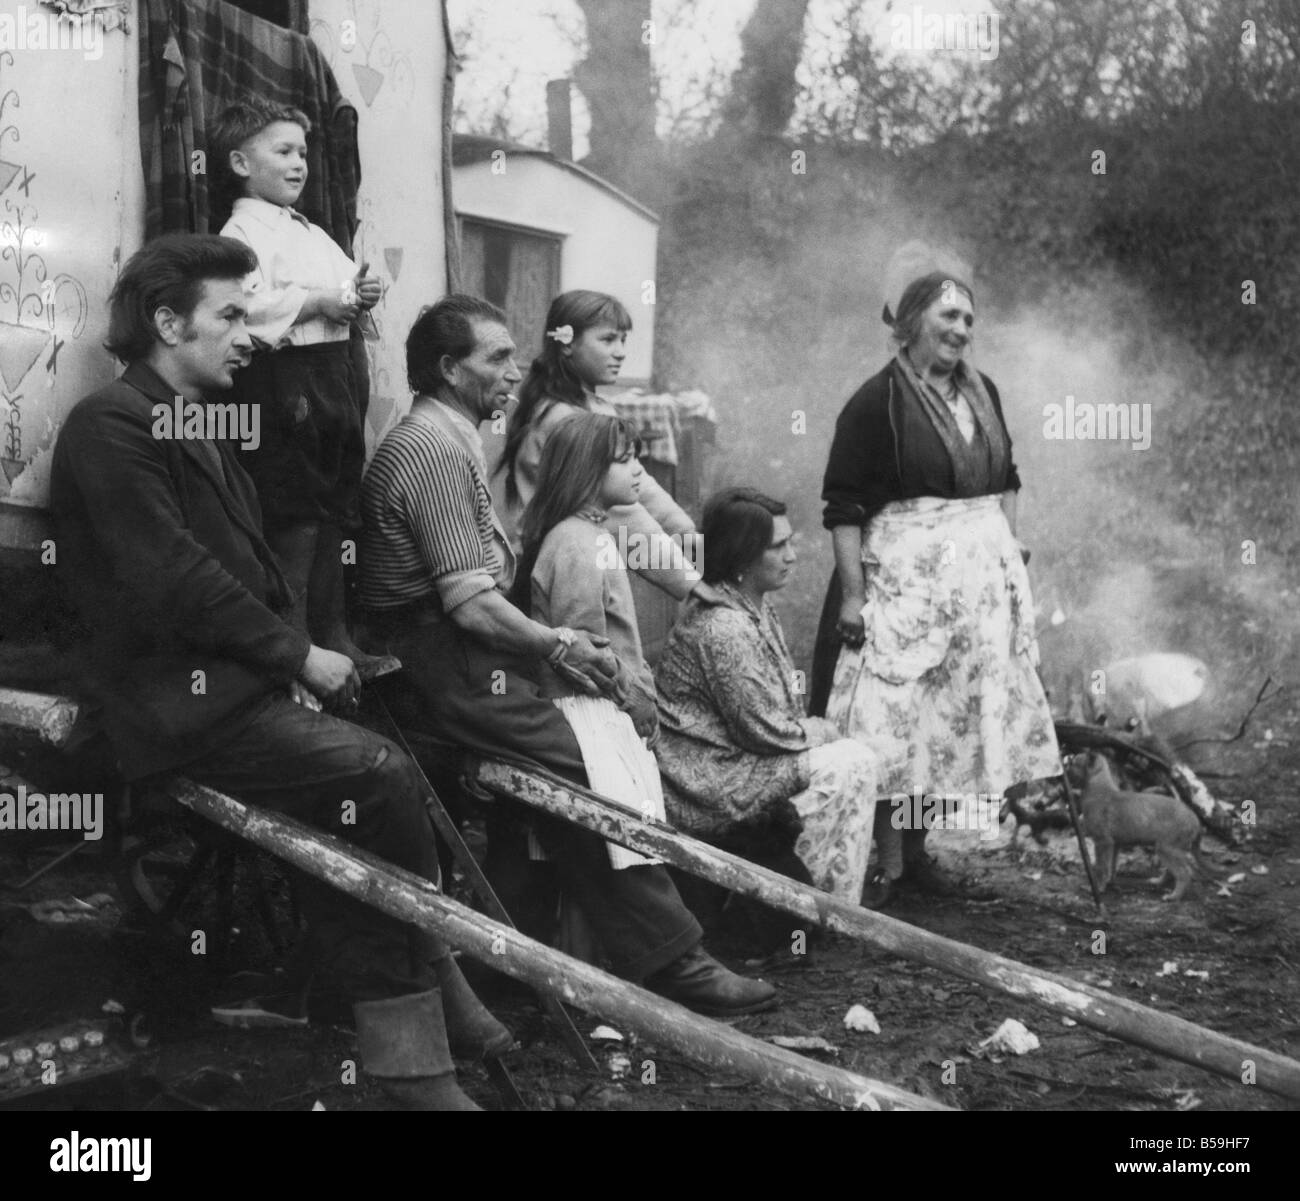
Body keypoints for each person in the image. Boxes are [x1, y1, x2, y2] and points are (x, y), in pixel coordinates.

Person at [49, 235, 507, 1110]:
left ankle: (417, 994)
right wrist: (298, 656)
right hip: (167, 708)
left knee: (369, 776)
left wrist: (293, 665)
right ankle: (419, 1045)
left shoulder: (195, 422)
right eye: (229, 315)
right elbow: (174, 580)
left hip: (227, 693)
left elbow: (256, 573)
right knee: (376, 776)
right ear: (165, 321)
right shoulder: (112, 424)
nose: (247, 334)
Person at [357, 295, 776, 1017]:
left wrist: (691, 580)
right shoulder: (429, 448)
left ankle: (510, 953)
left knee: (562, 767)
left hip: (467, 658)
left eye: (515, 355)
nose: (514, 371)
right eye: (496, 358)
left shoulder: (453, 438)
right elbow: (470, 603)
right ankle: (674, 959)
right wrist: (559, 643)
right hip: (433, 672)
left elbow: (633, 516)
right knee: (594, 759)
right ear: (448, 368)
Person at [809, 271, 1061, 906]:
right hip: (902, 589)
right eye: (948, 316)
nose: (961, 331)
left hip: (973, 591)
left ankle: (916, 858)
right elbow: (842, 509)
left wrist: (1009, 545)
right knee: (895, 723)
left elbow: (1010, 476)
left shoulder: (984, 393)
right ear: (913, 320)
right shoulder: (876, 403)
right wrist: (851, 597)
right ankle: (882, 862)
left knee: (943, 728)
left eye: (969, 321)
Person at [210, 97, 386, 672]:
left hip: (333, 376)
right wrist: (323, 300)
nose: (299, 164)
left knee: (335, 505)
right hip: (286, 382)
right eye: (282, 151)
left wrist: (358, 295)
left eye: (303, 153)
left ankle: (335, 634)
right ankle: (295, 645)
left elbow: (343, 290)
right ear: (240, 163)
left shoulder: (308, 231)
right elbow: (247, 308)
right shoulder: (241, 231)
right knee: (296, 510)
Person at [654, 488, 878, 917]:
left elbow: (775, 721)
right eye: (778, 546)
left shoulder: (754, 606)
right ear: (741, 556)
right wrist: (823, 731)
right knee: (848, 764)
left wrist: (818, 733)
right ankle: (810, 909)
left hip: (739, 761)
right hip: (707, 781)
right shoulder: (724, 627)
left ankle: (816, 904)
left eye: (791, 542)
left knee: (852, 756)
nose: (792, 555)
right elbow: (764, 732)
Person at [519, 411, 666, 871]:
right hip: (590, 713)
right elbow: (581, 650)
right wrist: (633, 698)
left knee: (627, 849)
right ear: (587, 472)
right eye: (625, 461)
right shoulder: (577, 543)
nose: (639, 470)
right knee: (618, 852)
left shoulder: (592, 533)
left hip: (608, 706)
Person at [496, 289, 706, 606]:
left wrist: (685, 531)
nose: (620, 352)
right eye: (608, 340)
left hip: (584, 556)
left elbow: (641, 484)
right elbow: (621, 514)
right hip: (556, 567)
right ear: (566, 344)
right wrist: (690, 583)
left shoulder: (595, 407)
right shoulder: (563, 419)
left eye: (623, 340)